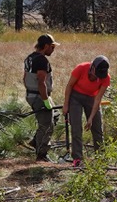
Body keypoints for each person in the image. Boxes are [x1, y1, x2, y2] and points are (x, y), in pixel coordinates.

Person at [64, 55, 110, 165]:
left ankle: (100, 157)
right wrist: (66, 104)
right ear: (92, 67)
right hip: (75, 97)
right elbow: (69, 85)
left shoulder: (106, 78)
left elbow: (98, 99)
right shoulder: (81, 68)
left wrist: (91, 118)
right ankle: (77, 158)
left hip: (92, 98)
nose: (98, 77)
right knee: (76, 127)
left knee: (97, 128)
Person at [23, 33, 57, 162]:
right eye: (52, 47)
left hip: (32, 94)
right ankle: (41, 154)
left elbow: (24, 78)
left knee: (55, 115)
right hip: (40, 96)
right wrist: (45, 100)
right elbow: (41, 82)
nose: (53, 50)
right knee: (47, 125)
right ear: (46, 46)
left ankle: (35, 141)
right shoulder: (42, 60)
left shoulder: (30, 58)